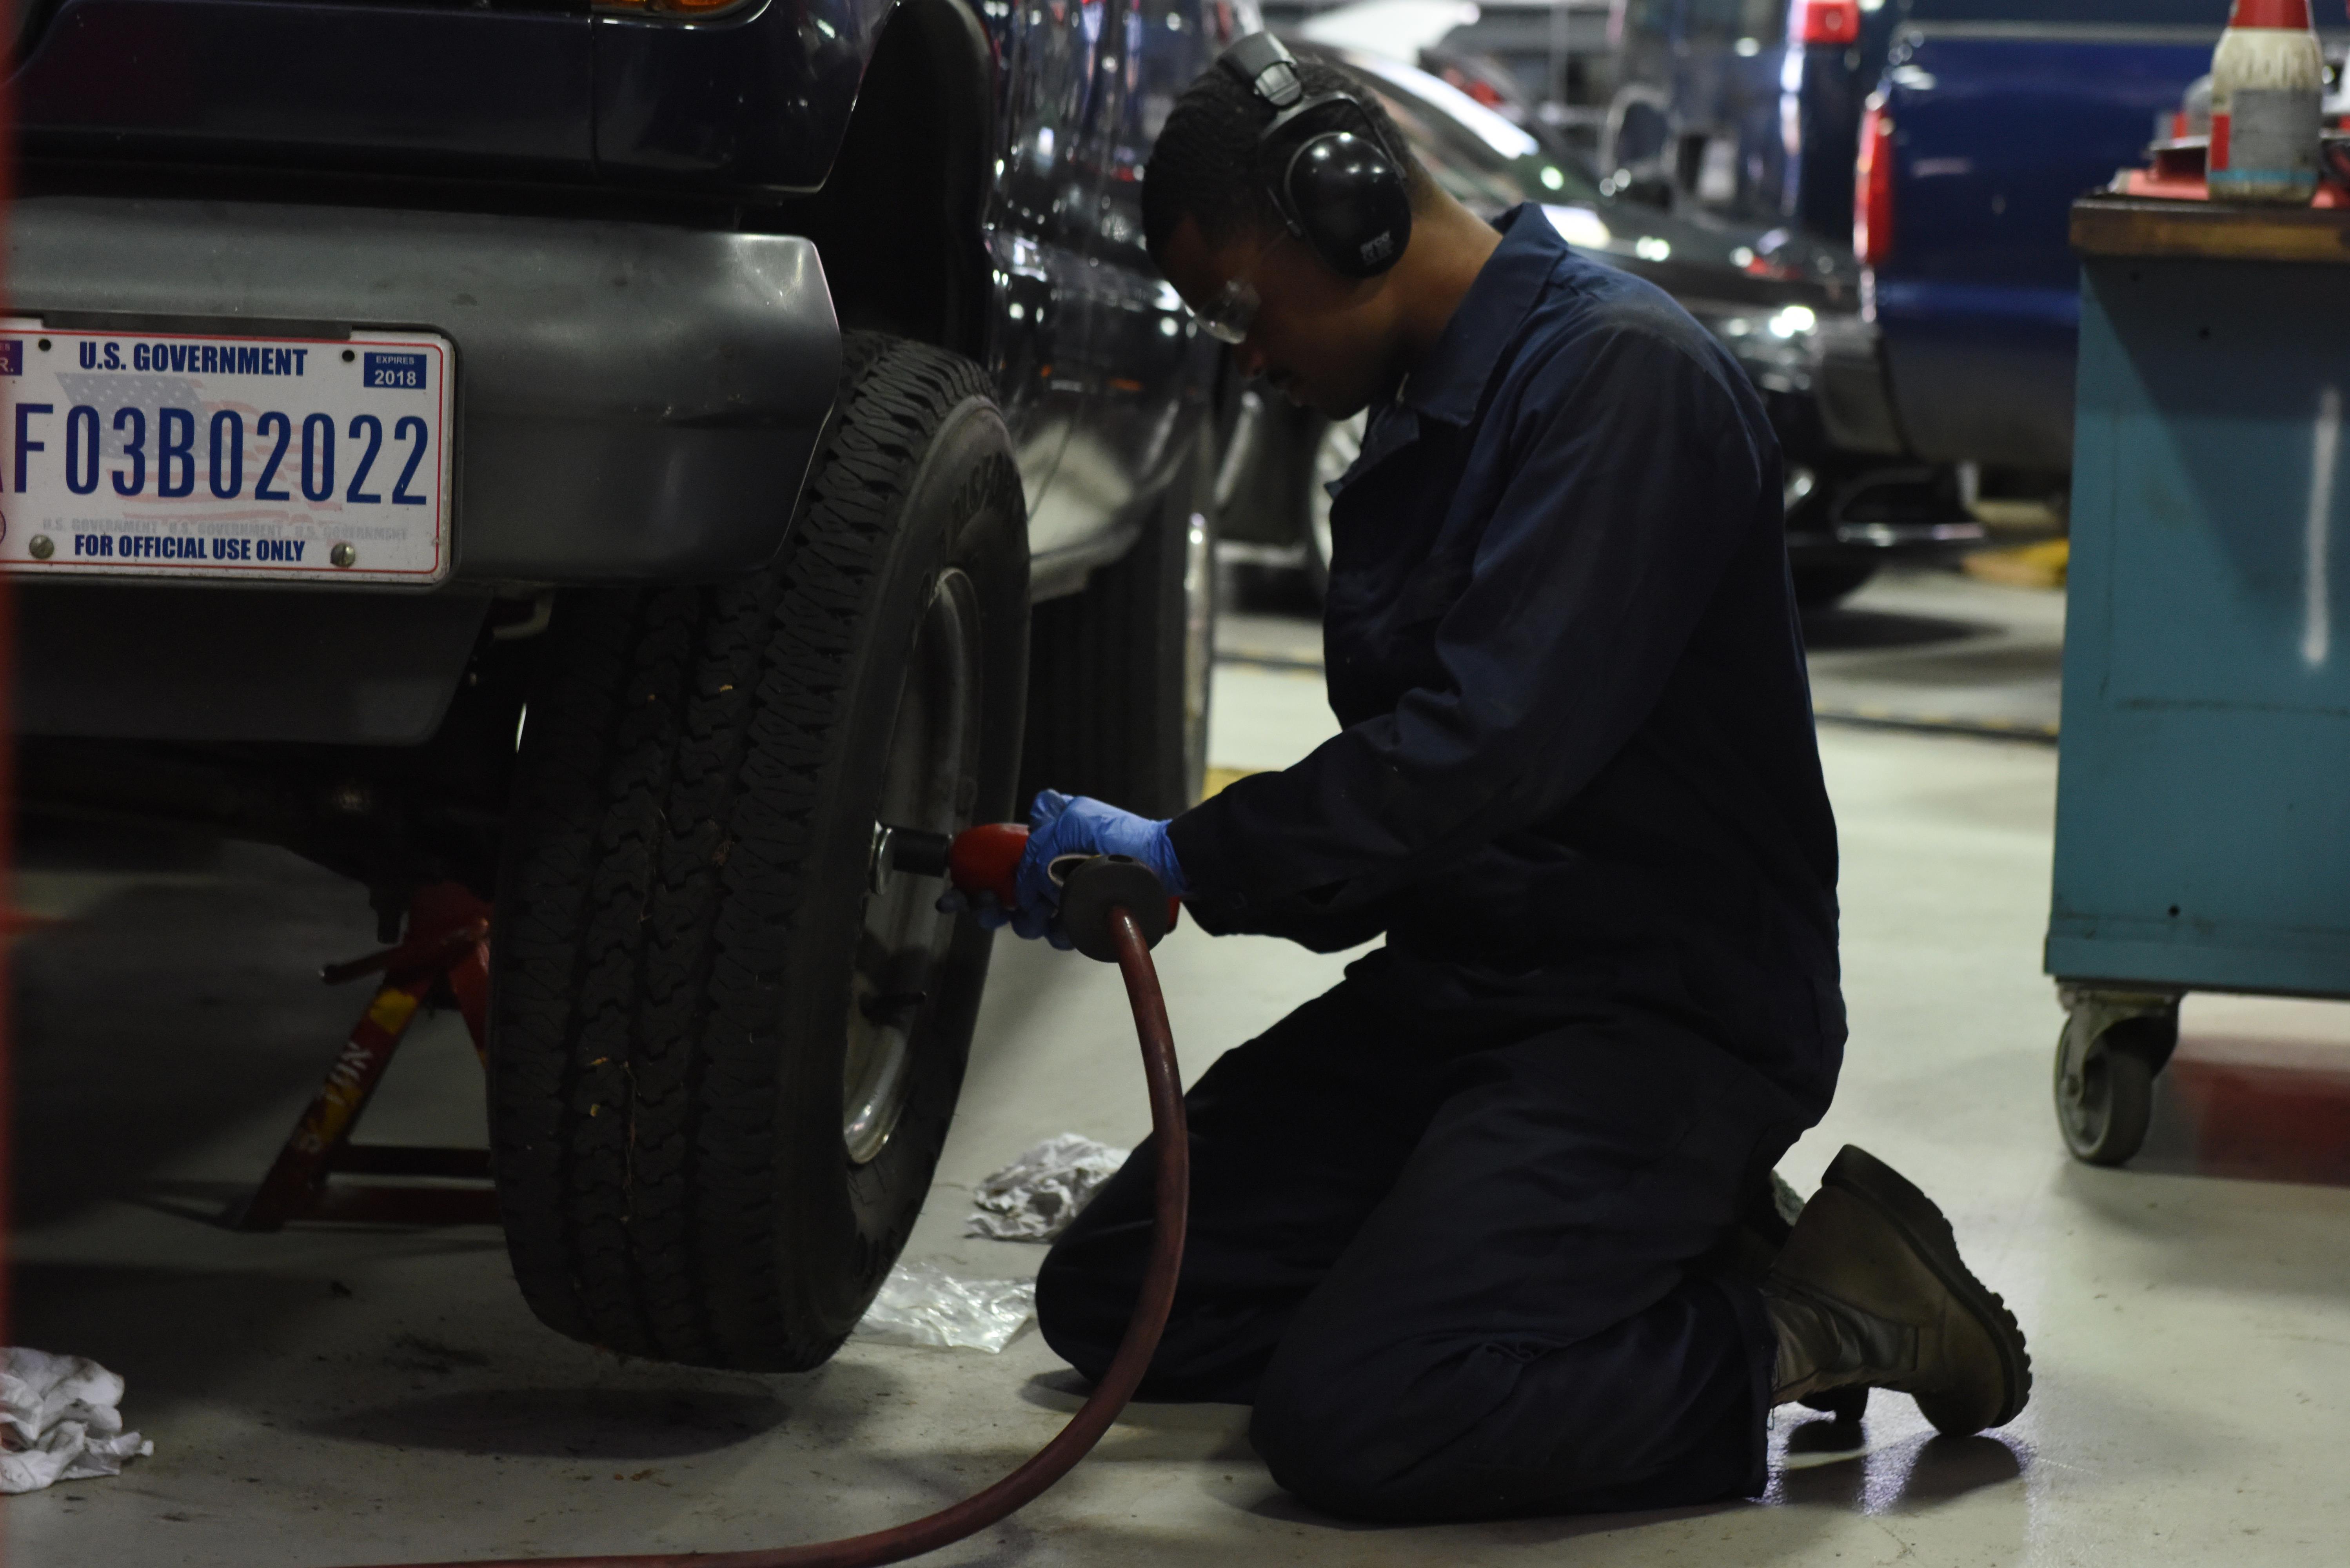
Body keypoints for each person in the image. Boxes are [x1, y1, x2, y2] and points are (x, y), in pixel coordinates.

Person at [977, 34, 2030, 1522]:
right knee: (1117, 1295)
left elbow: (1481, 755)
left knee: (1360, 1420)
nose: (1243, 354)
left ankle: (1804, 1319)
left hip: (1657, 1017)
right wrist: (1232, 871)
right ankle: (1615, 1265)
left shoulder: (1622, 381)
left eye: (1236, 304)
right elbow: (1410, 826)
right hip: (1474, 988)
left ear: (1349, 212)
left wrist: (1193, 859)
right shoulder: (1421, 417)